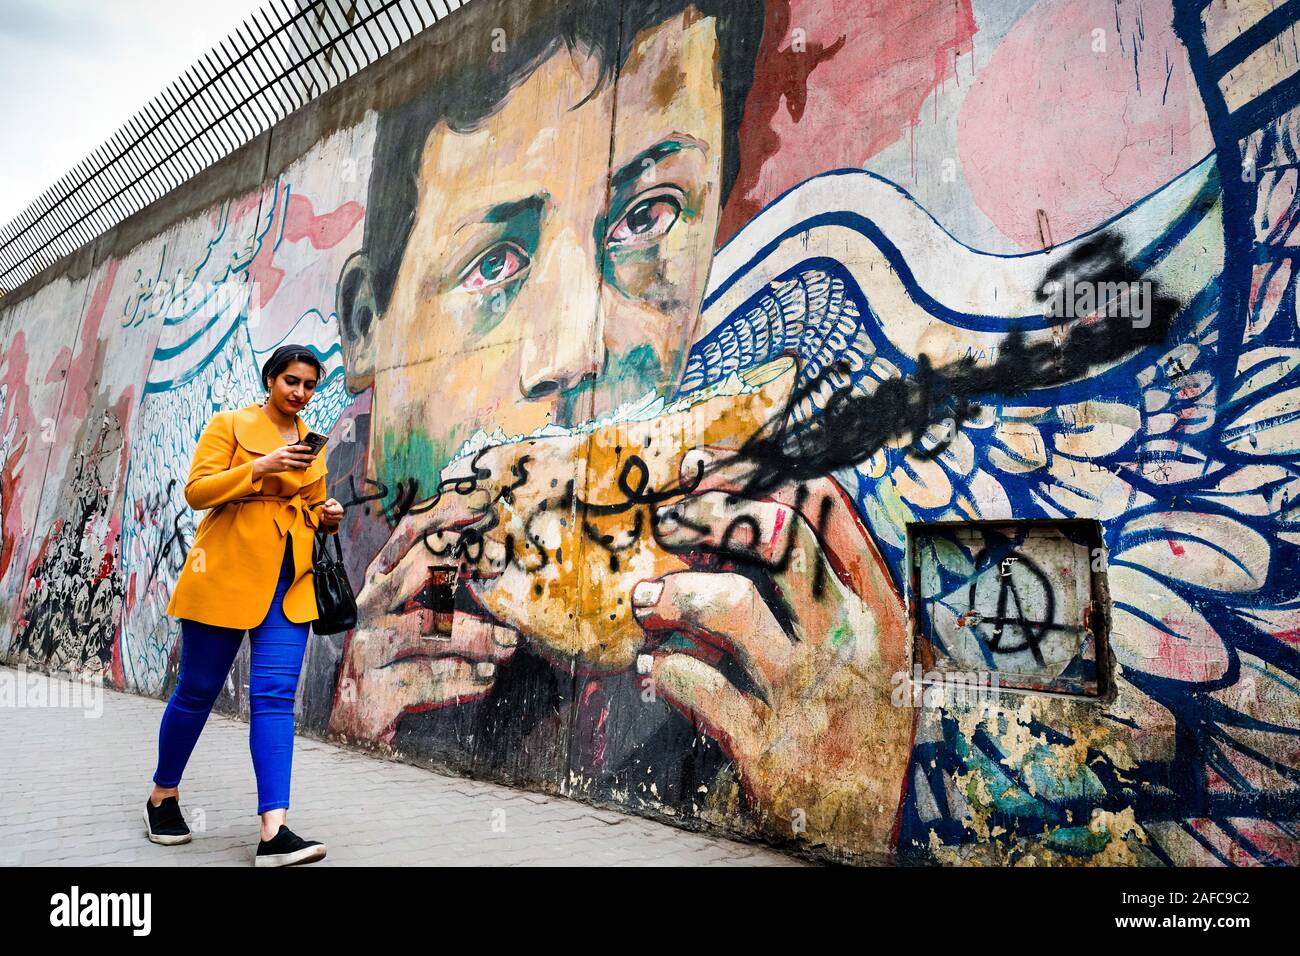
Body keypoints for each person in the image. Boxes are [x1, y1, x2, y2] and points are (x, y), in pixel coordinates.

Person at [328, 0, 914, 856]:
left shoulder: (788, 607)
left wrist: (856, 799)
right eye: (494, 261)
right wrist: (346, 735)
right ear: (365, 324)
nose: (575, 353)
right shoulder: (289, 599)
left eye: (648, 216)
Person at [146, 344, 345, 867]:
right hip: (226, 578)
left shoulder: (313, 443)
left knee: (276, 699)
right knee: (197, 692)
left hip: (290, 584)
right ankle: (162, 797)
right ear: (271, 379)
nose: (300, 393)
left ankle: (273, 833)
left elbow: (308, 505)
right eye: (291, 382)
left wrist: (327, 514)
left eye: (308, 385)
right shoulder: (229, 426)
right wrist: (262, 468)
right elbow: (197, 492)